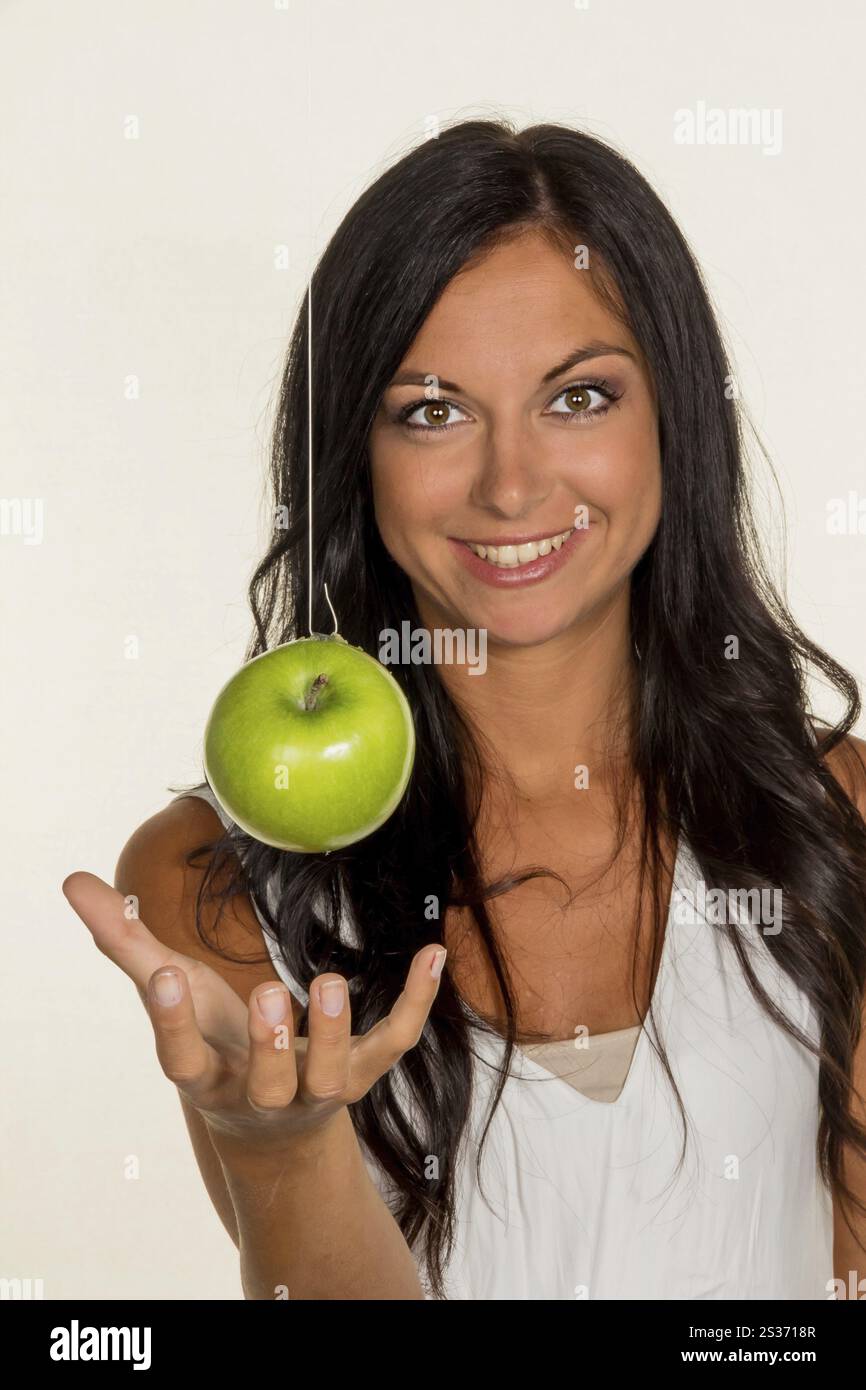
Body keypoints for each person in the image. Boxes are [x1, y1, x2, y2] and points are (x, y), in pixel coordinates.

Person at [62, 119, 866, 1301]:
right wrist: (279, 1148)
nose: (510, 484)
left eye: (578, 397)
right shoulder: (222, 878)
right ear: (355, 453)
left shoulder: (829, 814)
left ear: (673, 420)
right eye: (431, 411)